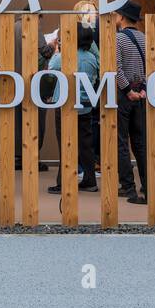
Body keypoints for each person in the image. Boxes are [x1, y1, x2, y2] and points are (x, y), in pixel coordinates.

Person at [48, 24, 99, 194]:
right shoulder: (92, 58)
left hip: (65, 105)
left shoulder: (65, 57)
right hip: (85, 106)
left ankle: (63, 182)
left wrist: (58, 47)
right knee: (86, 145)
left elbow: (51, 68)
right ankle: (90, 180)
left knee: (65, 143)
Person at [114, 1, 148, 204]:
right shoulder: (144, 38)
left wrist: (127, 90)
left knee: (121, 141)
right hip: (141, 91)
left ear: (121, 17)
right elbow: (148, 67)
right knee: (140, 142)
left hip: (124, 95)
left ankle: (127, 186)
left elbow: (116, 68)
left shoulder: (118, 39)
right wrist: (141, 89)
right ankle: (147, 183)